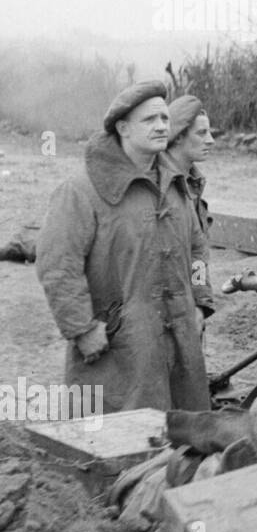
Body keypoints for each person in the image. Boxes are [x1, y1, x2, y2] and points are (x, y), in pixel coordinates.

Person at [36, 80, 215, 412]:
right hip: (117, 342)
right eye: (150, 120)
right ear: (123, 128)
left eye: (165, 118)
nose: (162, 126)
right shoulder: (79, 190)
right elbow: (58, 266)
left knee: (185, 436)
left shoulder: (177, 185)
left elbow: (198, 249)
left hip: (179, 336)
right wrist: (81, 329)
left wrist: (201, 303)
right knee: (119, 439)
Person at [166, 94, 215, 247]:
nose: (211, 140)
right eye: (202, 133)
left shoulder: (192, 181)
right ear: (178, 136)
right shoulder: (163, 185)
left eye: (209, 132)